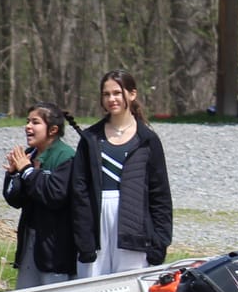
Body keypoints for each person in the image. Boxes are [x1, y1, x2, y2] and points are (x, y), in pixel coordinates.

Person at [70, 69, 172, 277]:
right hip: (97, 226)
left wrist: (160, 242)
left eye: (117, 93)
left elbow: (160, 194)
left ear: (132, 94)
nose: (111, 99)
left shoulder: (147, 140)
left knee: (128, 289)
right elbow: (78, 192)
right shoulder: (90, 139)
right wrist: (84, 239)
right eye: (106, 94)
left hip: (133, 225)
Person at [2, 102, 77, 287]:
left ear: (52, 130)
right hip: (30, 239)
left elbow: (54, 195)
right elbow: (14, 200)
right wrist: (13, 174)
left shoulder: (65, 157)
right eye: (27, 121)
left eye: (35, 122)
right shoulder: (28, 156)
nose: (28, 126)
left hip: (55, 247)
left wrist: (27, 171)